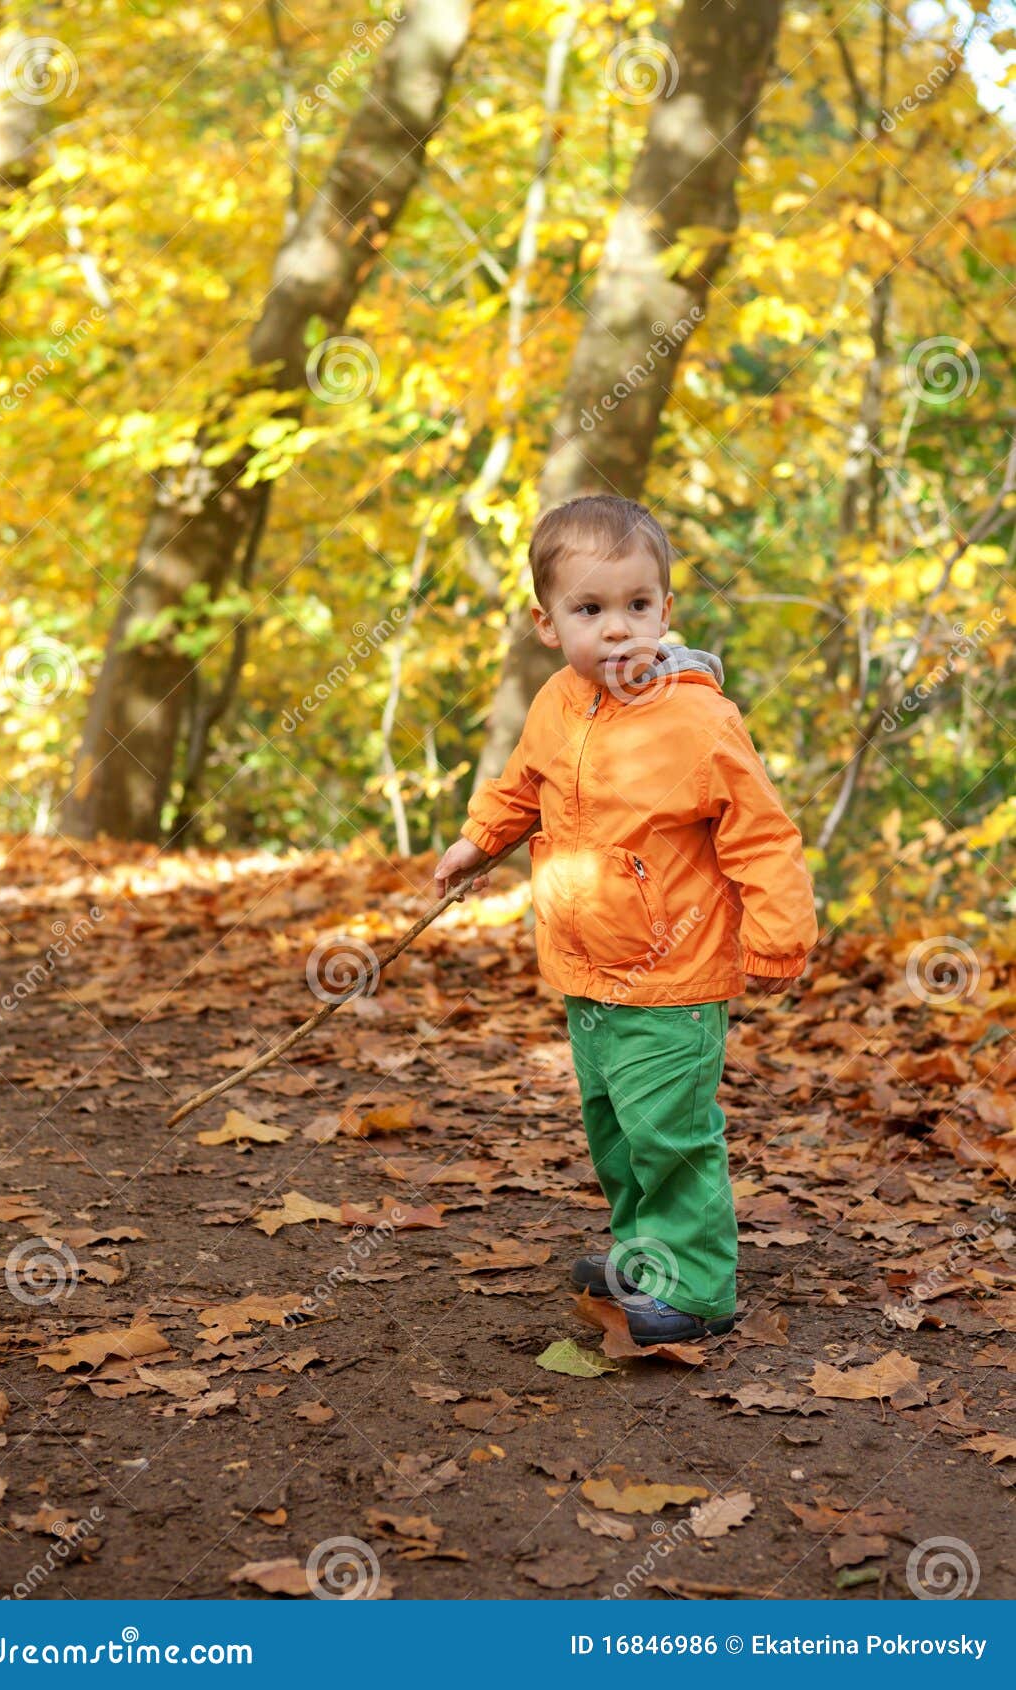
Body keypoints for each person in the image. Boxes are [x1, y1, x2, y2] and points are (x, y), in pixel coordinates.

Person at [433, 494, 818, 1345]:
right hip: (585, 972)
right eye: (590, 610)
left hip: (672, 978)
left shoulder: (698, 722)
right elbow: (522, 785)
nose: (617, 630)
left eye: (636, 606)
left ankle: (698, 1288)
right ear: (546, 622)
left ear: (666, 610)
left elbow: (762, 834)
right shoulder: (555, 704)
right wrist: (477, 842)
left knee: (668, 1133)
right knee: (613, 1132)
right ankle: (644, 1253)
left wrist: (777, 936)